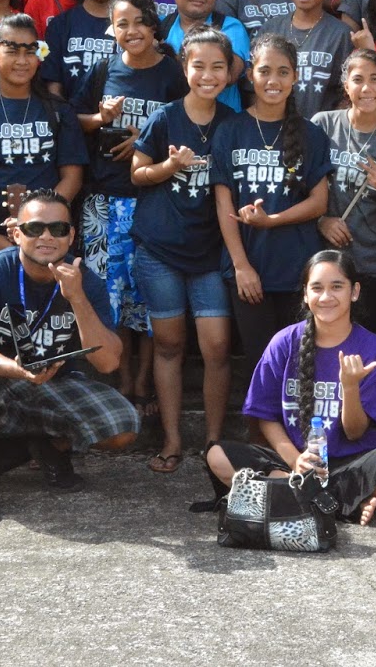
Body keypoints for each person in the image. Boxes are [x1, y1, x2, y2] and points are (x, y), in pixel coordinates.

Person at [0, 189, 138, 524]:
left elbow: (108, 363)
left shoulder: (85, 280)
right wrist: (15, 369)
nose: (46, 236)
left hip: (57, 384)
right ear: (17, 233)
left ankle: (52, 447)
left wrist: (76, 298)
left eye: (58, 229)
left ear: (71, 235)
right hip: (0, 381)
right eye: (34, 229)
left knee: (124, 425)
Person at [204, 250, 376, 525]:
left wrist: (350, 388)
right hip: (290, 462)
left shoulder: (374, 349)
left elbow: (355, 433)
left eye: (337, 287)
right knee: (217, 455)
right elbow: (264, 416)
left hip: (348, 463)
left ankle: (294, 500)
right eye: (317, 288)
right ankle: (337, 504)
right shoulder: (283, 343)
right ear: (305, 294)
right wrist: (295, 461)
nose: (326, 297)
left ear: (354, 292)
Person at [73, 0, 188, 411]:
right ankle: (119, 383)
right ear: (112, 29)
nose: (131, 30)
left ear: (153, 26)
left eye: (139, 21)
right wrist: (101, 119)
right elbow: (74, 119)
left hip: (154, 199)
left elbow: (186, 123)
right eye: (122, 23)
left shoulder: (172, 73)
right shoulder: (103, 69)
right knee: (111, 296)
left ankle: (144, 382)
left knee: (148, 297)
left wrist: (145, 139)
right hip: (104, 202)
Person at [131, 28, 237, 472]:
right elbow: (137, 174)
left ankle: (214, 444)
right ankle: (172, 440)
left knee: (216, 347)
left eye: (217, 66)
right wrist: (168, 167)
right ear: (184, 67)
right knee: (170, 345)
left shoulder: (233, 123)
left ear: (230, 72)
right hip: (159, 249)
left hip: (210, 253)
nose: (207, 75)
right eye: (198, 66)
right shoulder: (165, 117)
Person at [212, 34, 334, 373]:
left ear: (295, 77)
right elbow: (224, 203)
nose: (273, 80)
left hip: (296, 271)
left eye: (283, 72)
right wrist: (241, 266)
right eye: (265, 71)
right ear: (250, 75)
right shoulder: (230, 129)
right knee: (260, 370)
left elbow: (319, 202)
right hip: (248, 270)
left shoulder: (311, 134)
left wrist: (273, 220)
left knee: (297, 369)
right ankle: (261, 429)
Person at [0, 13, 88, 277]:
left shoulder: (59, 112)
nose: (22, 61)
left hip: (48, 242)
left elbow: (73, 177)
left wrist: (38, 227)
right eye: (12, 50)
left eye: (30, 51)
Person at [313, 50, 376, 342]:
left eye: (375, 79)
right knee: (323, 345)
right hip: (325, 262)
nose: (367, 88)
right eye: (358, 79)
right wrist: (321, 220)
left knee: (366, 347)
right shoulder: (323, 125)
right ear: (346, 87)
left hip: (374, 263)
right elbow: (297, 188)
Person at [260, 0, 353, 116]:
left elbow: (347, 94)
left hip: (322, 133)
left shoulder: (341, 34)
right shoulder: (271, 29)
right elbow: (254, 88)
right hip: (275, 129)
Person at [163, 0, 251, 110]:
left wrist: (165, 59)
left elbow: (229, 76)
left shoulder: (231, 28)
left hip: (225, 127)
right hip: (174, 126)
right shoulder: (161, 27)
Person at [41, 0, 122, 101]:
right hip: (70, 120)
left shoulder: (133, 26)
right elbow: (52, 86)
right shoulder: (60, 25)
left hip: (121, 121)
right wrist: (65, 120)